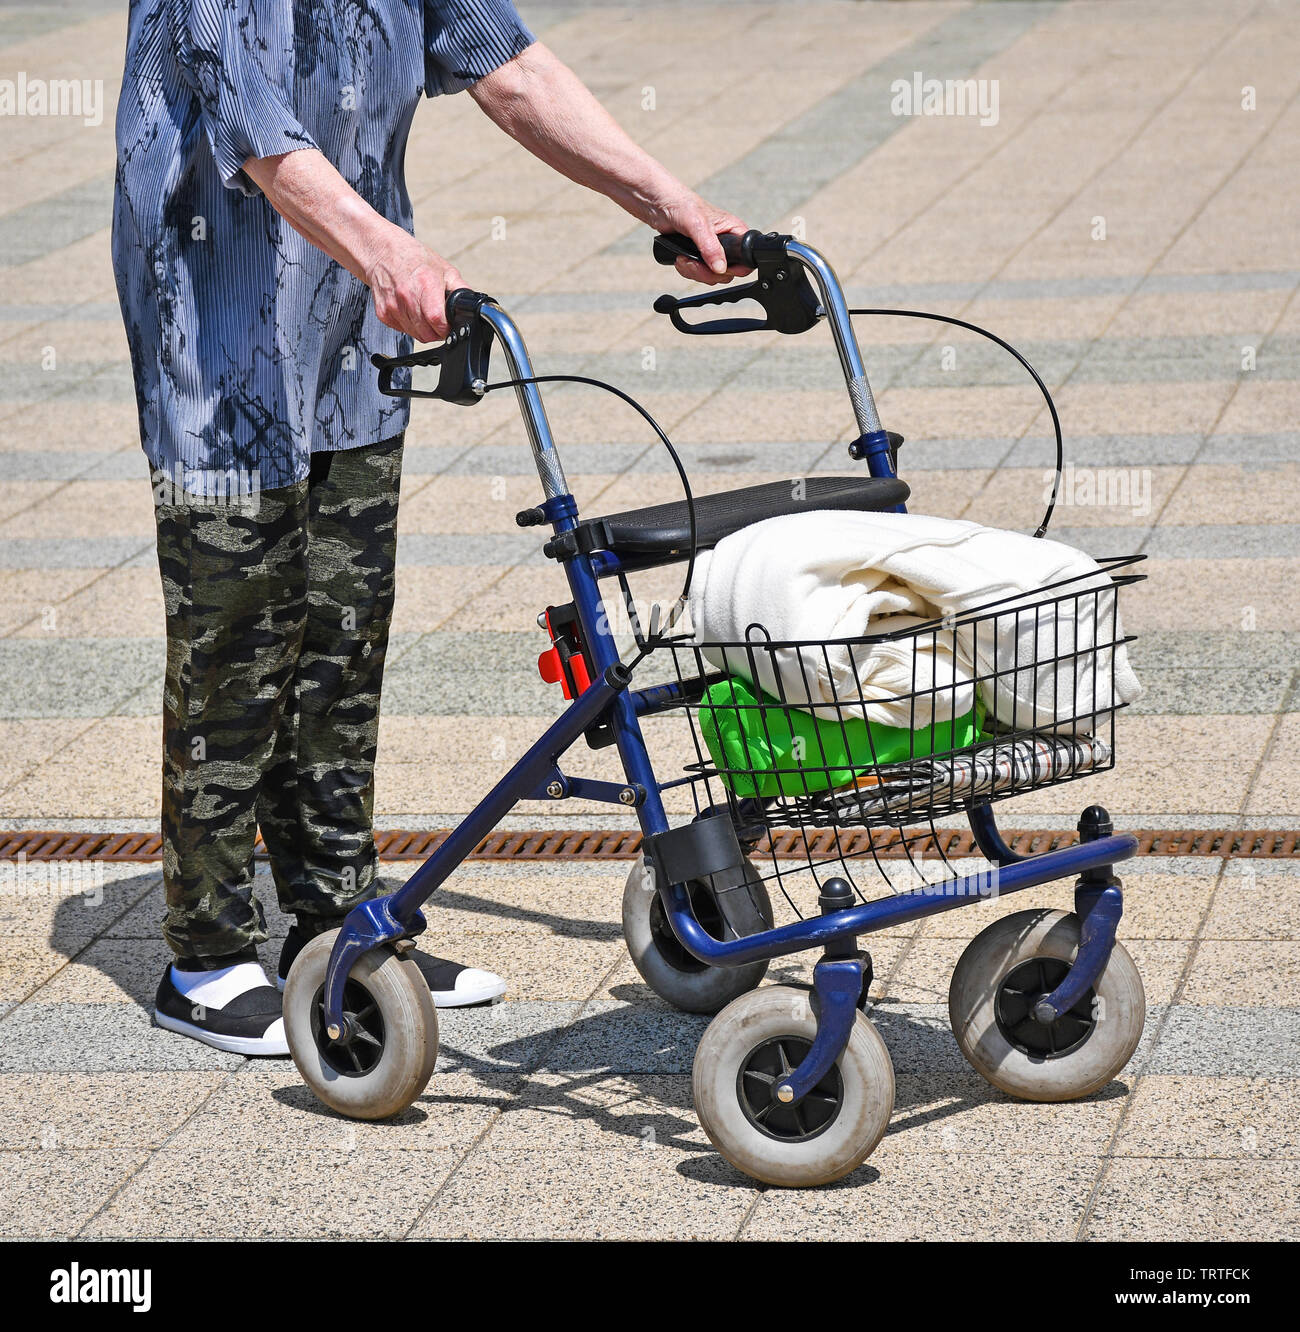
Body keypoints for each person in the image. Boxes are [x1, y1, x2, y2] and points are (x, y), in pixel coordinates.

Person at [112, 1, 749, 1054]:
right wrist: (386, 250)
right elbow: (257, 134)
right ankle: (206, 954)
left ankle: (337, 923)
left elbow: (512, 72)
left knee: (343, 628)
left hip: (357, 327)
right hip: (217, 338)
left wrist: (672, 204)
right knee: (236, 638)